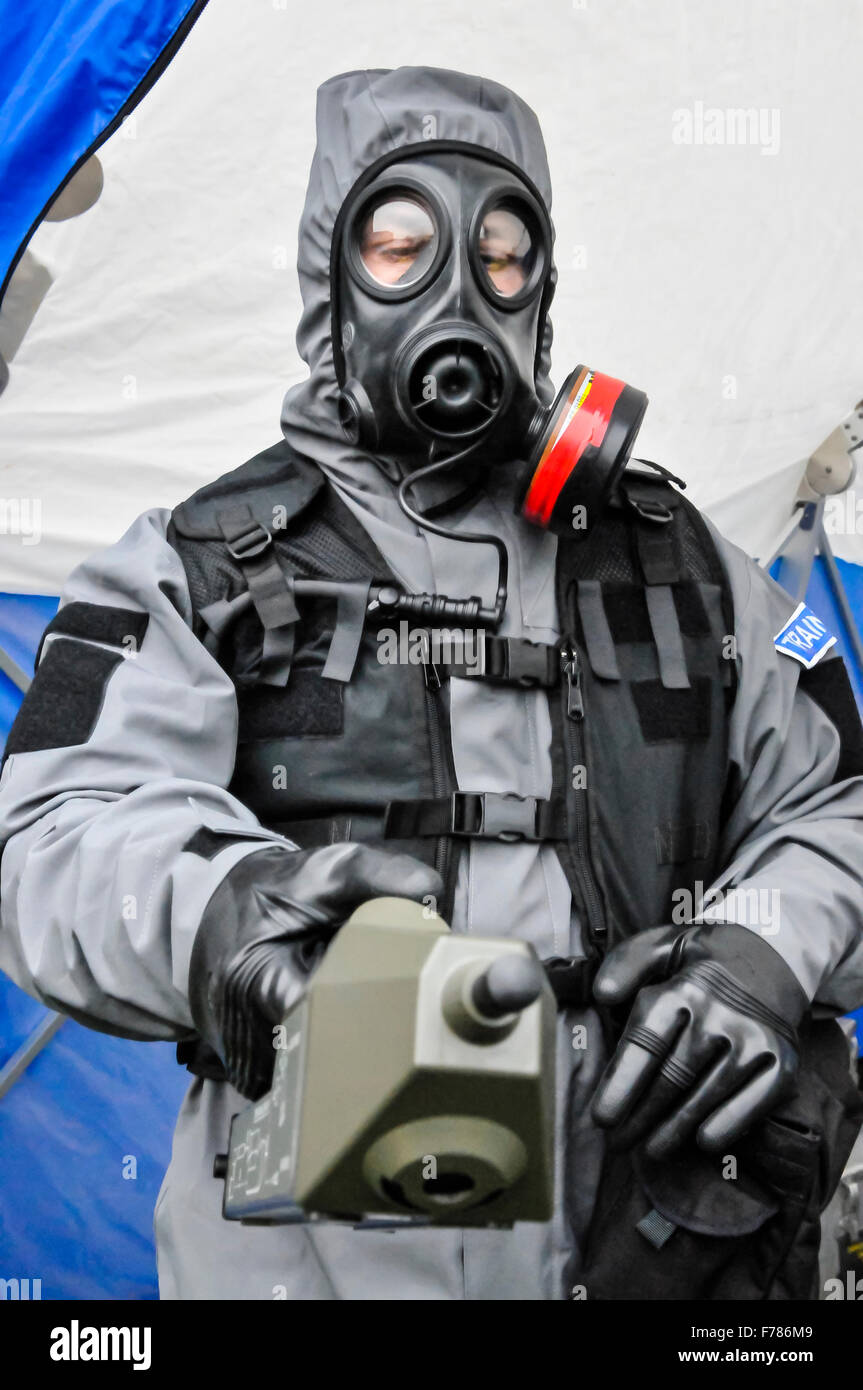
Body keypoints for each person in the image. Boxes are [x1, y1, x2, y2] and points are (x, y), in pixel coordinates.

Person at [1, 66, 862, 1301]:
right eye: (400, 246)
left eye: (503, 254)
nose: (461, 289)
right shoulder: (195, 564)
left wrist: (758, 956)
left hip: (652, 1256)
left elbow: (838, 807)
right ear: (329, 283)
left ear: (542, 295)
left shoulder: (688, 570)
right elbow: (51, 835)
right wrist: (220, 915)